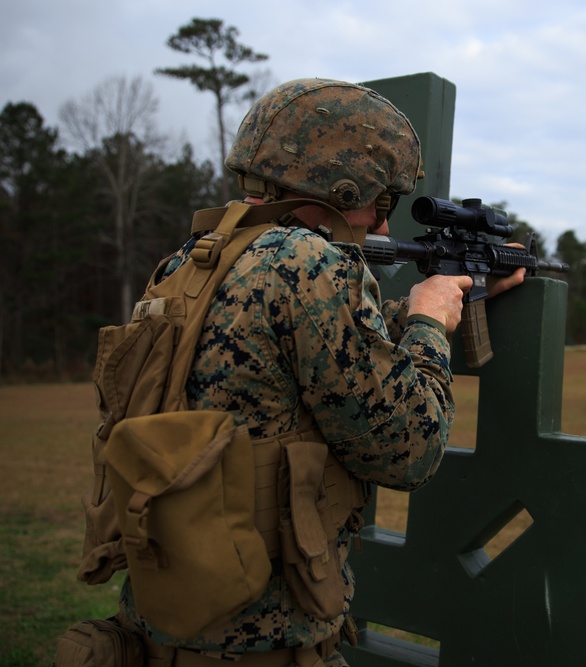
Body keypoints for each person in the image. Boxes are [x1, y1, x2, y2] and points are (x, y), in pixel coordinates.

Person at [116, 78, 524, 665]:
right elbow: (410, 448)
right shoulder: (311, 266)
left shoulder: (192, 258)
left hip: (165, 616)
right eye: (379, 203)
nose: (383, 226)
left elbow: (300, 350)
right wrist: (430, 324)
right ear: (338, 183)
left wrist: (422, 305)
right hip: (262, 637)